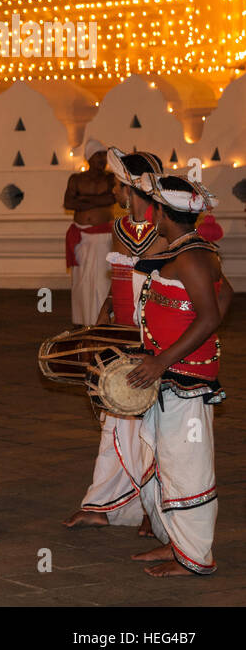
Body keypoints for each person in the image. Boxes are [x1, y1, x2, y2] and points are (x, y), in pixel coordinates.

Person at [127, 174, 233, 577]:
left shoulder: (190, 257)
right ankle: (175, 544)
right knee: (168, 460)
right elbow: (227, 295)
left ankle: (195, 557)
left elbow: (208, 315)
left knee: (187, 465)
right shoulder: (188, 249)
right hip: (172, 370)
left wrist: (162, 359)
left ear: (160, 212)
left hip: (184, 378)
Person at [64, 148, 163, 532]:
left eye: (121, 183)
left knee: (154, 422)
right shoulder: (121, 228)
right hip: (122, 332)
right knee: (116, 415)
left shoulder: (167, 227)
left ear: (134, 186)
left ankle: (152, 507)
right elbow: (123, 276)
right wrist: (105, 315)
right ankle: (101, 502)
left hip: (157, 335)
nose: (116, 190)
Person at [64, 138, 118, 325]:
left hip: (103, 238)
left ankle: (102, 320)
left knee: (103, 282)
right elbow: (68, 203)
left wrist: (84, 201)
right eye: (98, 155)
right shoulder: (76, 179)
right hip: (81, 238)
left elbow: (111, 200)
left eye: (104, 155)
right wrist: (97, 199)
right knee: (82, 283)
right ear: (89, 158)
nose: (102, 159)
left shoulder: (111, 179)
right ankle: (84, 320)